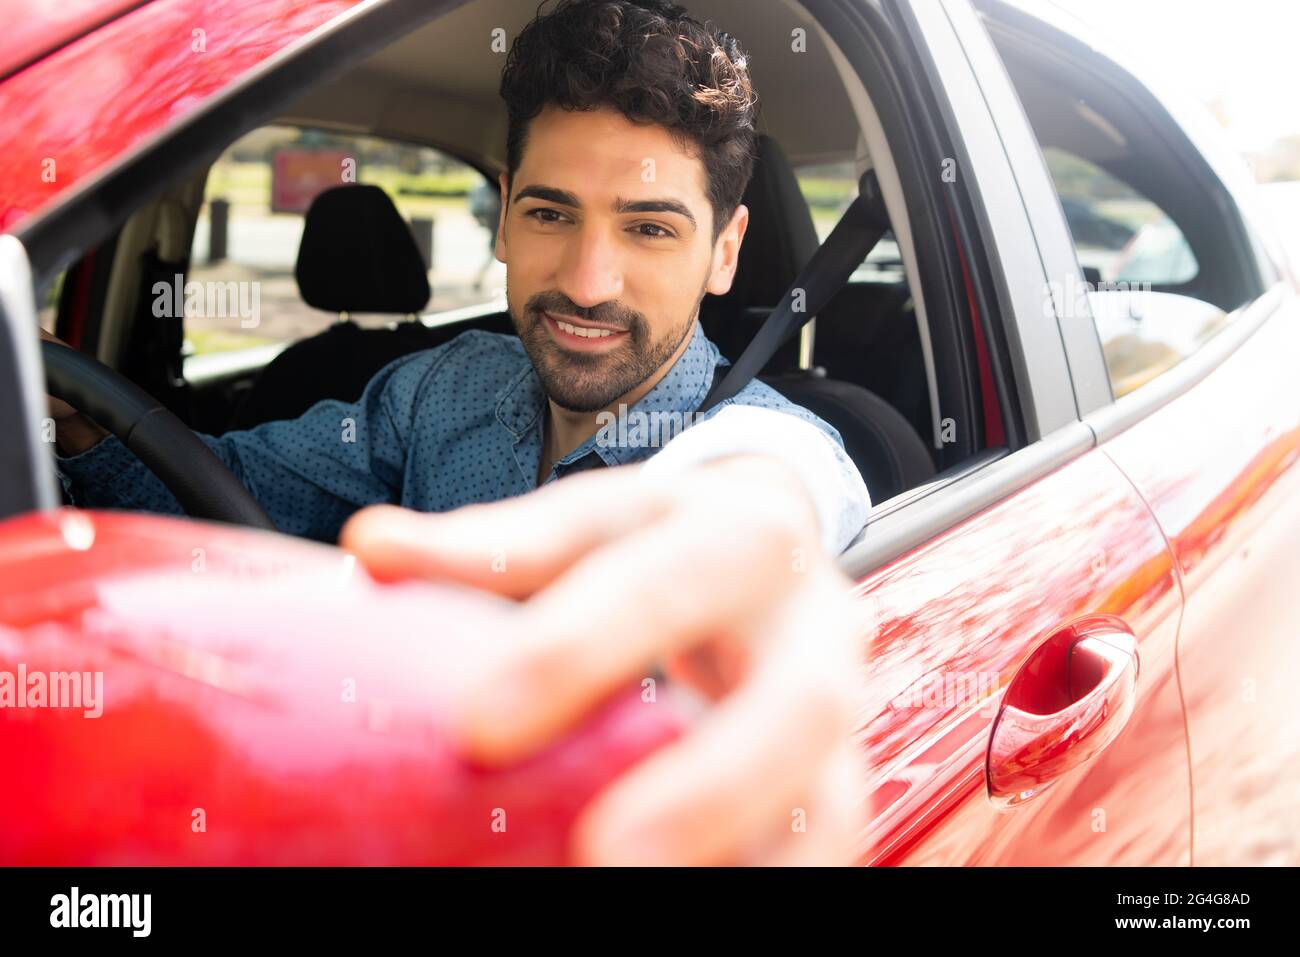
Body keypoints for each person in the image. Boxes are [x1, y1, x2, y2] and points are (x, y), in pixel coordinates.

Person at [45, 0, 872, 865]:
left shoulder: (761, 449)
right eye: (552, 214)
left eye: (650, 228)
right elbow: (215, 487)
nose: (589, 283)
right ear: (506, 214)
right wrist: (78, 419)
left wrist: (749, 509)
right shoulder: (440, 385)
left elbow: (776, 485)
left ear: (725, 251)